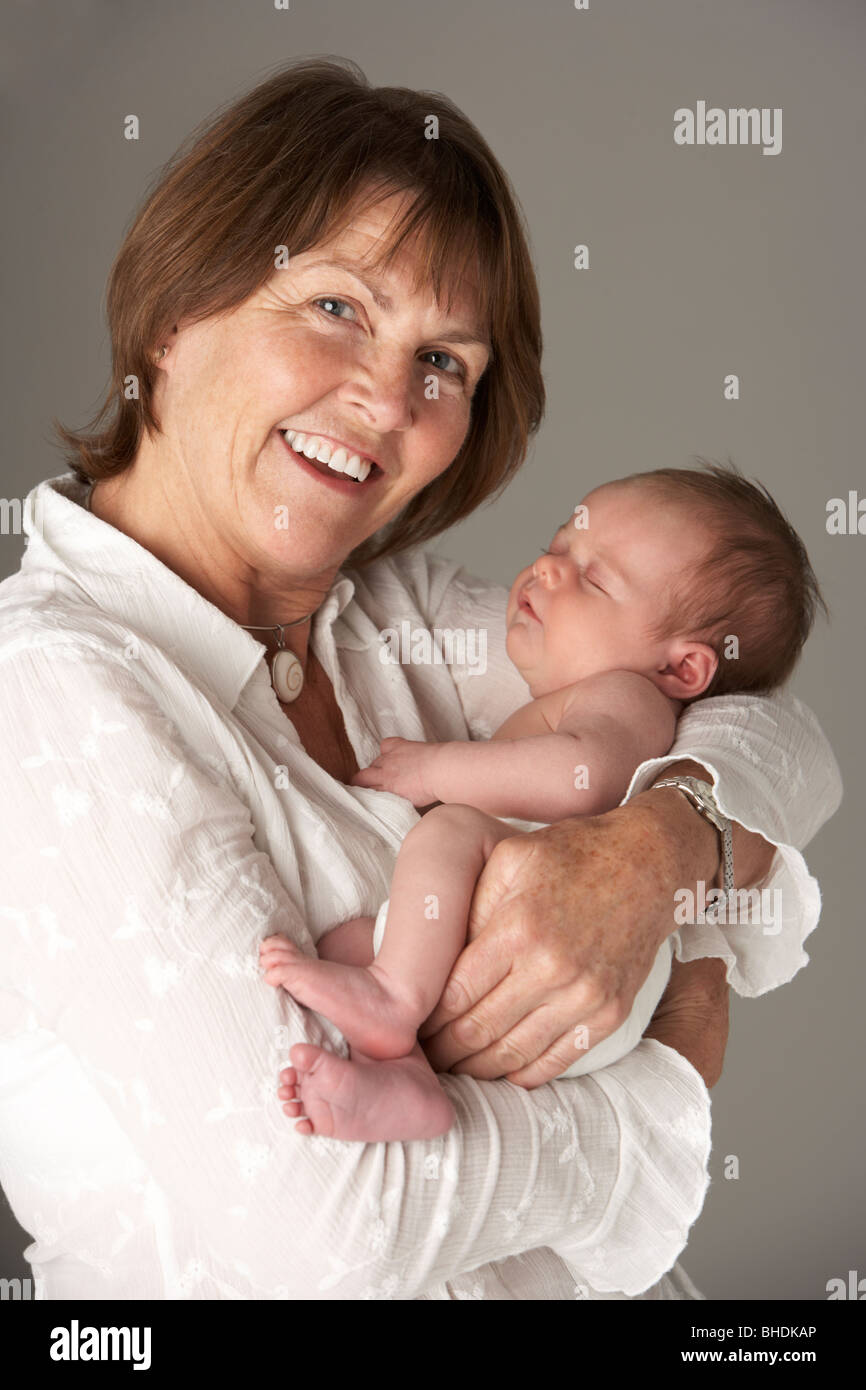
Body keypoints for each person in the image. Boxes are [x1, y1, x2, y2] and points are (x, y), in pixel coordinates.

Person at [0, 59, 841, 1300]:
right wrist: (661, 1087)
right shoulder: (49, 694)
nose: (388, 399)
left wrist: (652, 852)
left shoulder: (384, 621)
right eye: (337, 307)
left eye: (442, 362)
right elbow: (332, 1221)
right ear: (177, 316)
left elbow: (777, 736)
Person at [259, 463, 827, 1141]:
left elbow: (581, 777)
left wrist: (438, 768)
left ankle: (394, 998)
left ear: (681, 669)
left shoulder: (626, 697)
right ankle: (408, 1078)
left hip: (576, 969)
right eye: (558, 547)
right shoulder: (584, 681)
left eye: (594, 578)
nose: (548, 570)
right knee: (348, 941)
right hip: (544, 986)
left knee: (454, 833)